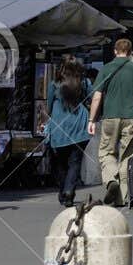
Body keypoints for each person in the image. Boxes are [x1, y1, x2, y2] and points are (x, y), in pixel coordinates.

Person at [87, 37, 133, 208]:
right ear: (130, 53)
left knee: (106, 152)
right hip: (131, 117)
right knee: (127, 156)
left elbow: (97, 97)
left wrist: (91, 119)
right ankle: (121, 197)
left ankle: (111, 179)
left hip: (110, 117)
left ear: (115, 51)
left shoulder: (106, 68)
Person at [42, 58, 93, 207]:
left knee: (60, 162)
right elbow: (92, 98)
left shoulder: (54, 84)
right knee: (75, 162)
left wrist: (45, 120)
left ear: (62, 69)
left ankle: (64, 190)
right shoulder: (84, 83)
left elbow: (48, 106)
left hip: (59, 125)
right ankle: (69, 190)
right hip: (79, 125)